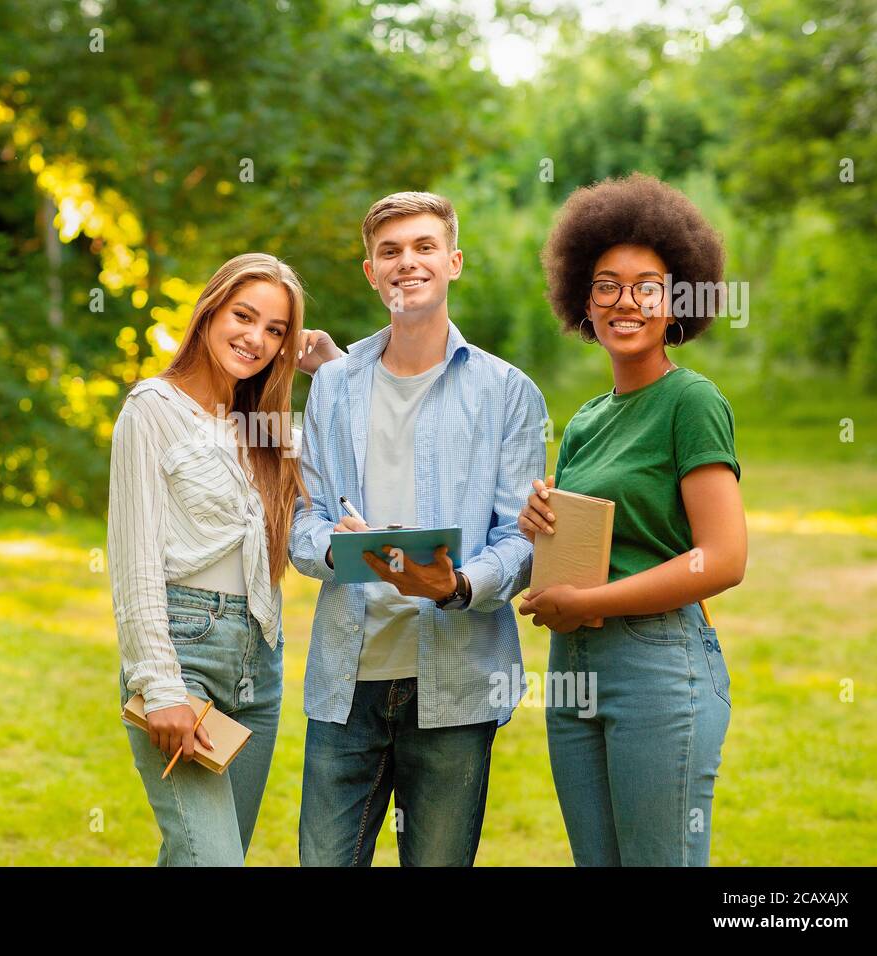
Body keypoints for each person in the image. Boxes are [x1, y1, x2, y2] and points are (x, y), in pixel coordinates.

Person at [289, 192, 548, 866]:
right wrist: (344, 551)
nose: (408, 262)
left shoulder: (507, 392)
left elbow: (521, 538)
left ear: (454, 261)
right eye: (390, 251)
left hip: (456, 681)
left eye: (424, 247)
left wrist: (460, 584)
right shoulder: (333, 385)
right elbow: (302, 522)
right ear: (370, 272)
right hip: (346, 682)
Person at [518, 172, 746, 866]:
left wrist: (589, 600)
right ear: (582, 302)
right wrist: (543, 524)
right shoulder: (586, 421)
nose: (625, 301)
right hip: (574, 666)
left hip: (658, 665)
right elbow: (600, 544)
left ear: (676, 302)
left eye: (647, 285)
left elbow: (724, 560)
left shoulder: (692, 402)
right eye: (605, 285)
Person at [108, 252, 338, 866]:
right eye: (244, 315)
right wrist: (160, 688)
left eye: (276, 330)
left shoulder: (263, 426)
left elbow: (353, 477)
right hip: (184, 653)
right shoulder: (152, 410)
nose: (256, 338)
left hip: (258, 660)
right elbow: (133, 563)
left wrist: (335, 371)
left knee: (200, 854)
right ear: (210, 310)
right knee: (214, 860)